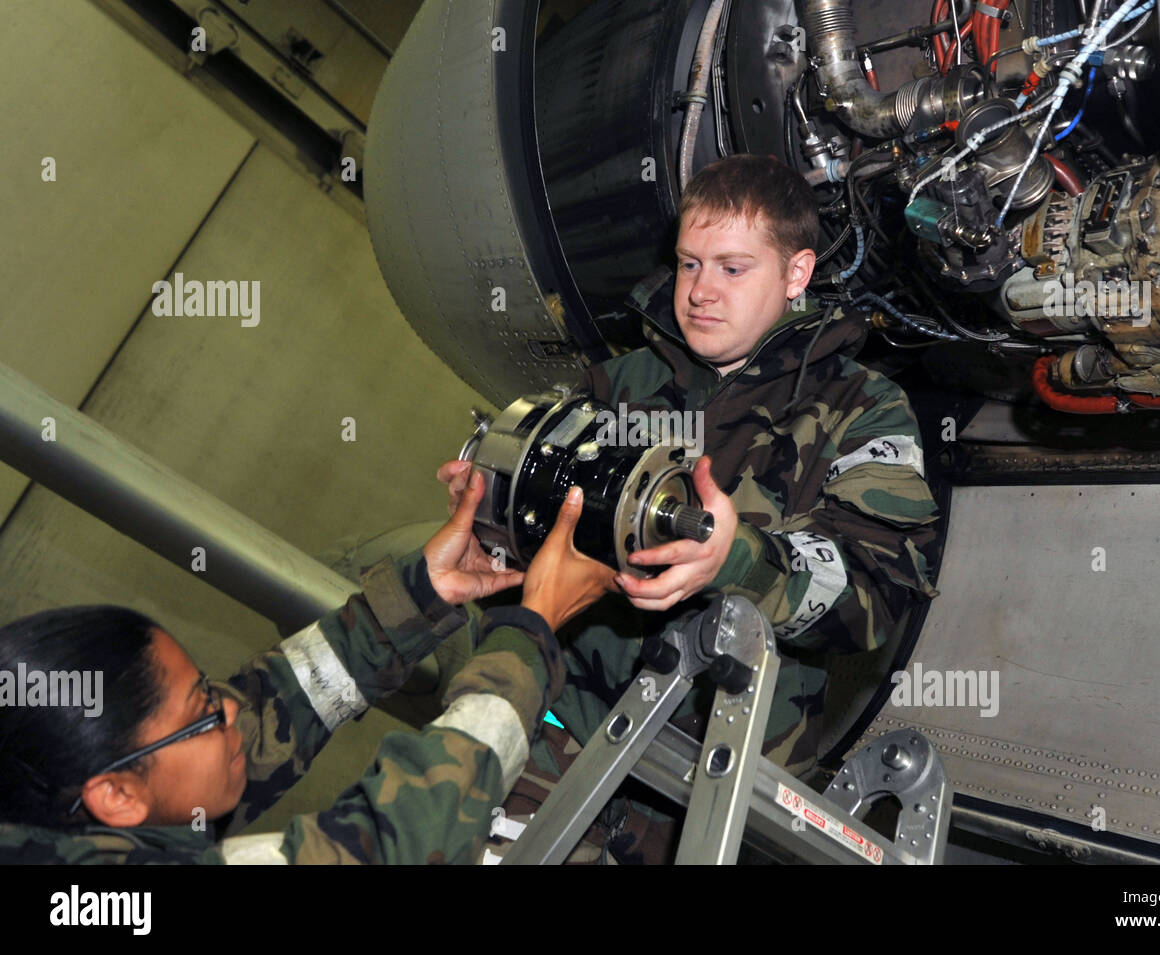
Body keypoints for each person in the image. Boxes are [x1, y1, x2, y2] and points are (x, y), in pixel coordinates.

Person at [441, 153, 942, 860]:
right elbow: (543, 530)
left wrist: (737, 560)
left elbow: (878, 590)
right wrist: (490, 512)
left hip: (715, 790)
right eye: (688, 265)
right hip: (566, 736)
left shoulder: (861, 410)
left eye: (733, 268)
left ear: (796, 274)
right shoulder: (619, 386)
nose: (701, 291)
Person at [0, 474, 616, 864]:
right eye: (204, 713)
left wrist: (420, 592)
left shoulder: (59, 809)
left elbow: (273, 708)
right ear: (115, 795)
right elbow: (394, 842)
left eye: (210, 691)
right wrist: (531, 629)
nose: (231, 709)